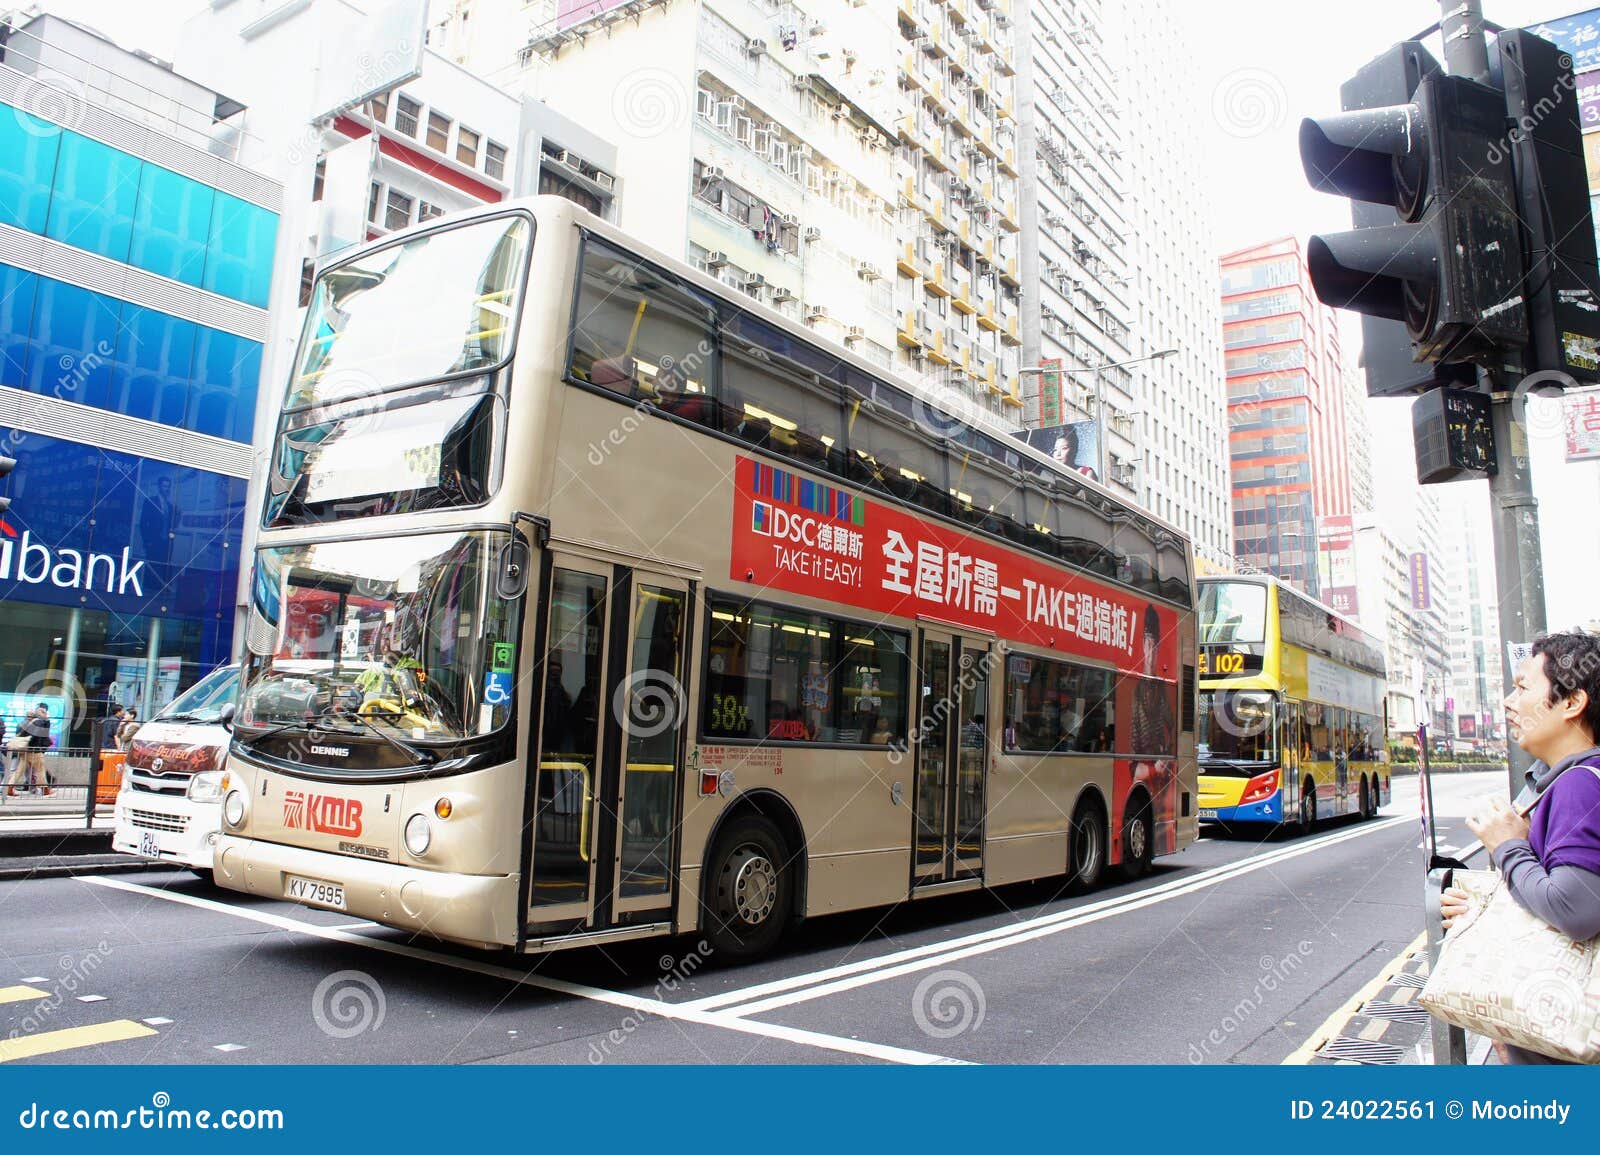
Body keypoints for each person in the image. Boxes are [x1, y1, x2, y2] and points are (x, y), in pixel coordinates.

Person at [1440, 631, 1600, 1065]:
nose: (1510, 701)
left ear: (1572, 703)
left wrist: (1507, 846)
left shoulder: (1580, 787)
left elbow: (1576, 909)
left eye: (1524, 687)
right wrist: (1483, 905)